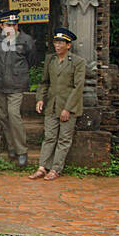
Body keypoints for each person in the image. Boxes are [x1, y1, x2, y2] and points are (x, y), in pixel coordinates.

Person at [30, 27, 87, 181]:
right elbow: (44, 82)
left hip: (68, 106)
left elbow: (78, 87)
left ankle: (56, 169)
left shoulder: (78, 62)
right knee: (49, 137)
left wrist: (68, 108)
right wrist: (40, 98)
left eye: (61, 43)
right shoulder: (51, 60)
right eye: (56, 42)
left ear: (68, 45)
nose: (58, 46)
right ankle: (42, 167)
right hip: (51, 105)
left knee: (64, 139)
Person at [0, 11, 40, 166]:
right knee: (3, 116)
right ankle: (11, 146)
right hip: (0, 84)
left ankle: (22, 151)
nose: (12, 28)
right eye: (8, 25)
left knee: (14, 115)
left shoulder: (25, 40)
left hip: (17, 85)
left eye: (14, 25)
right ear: (1, 26)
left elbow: (32, 60)